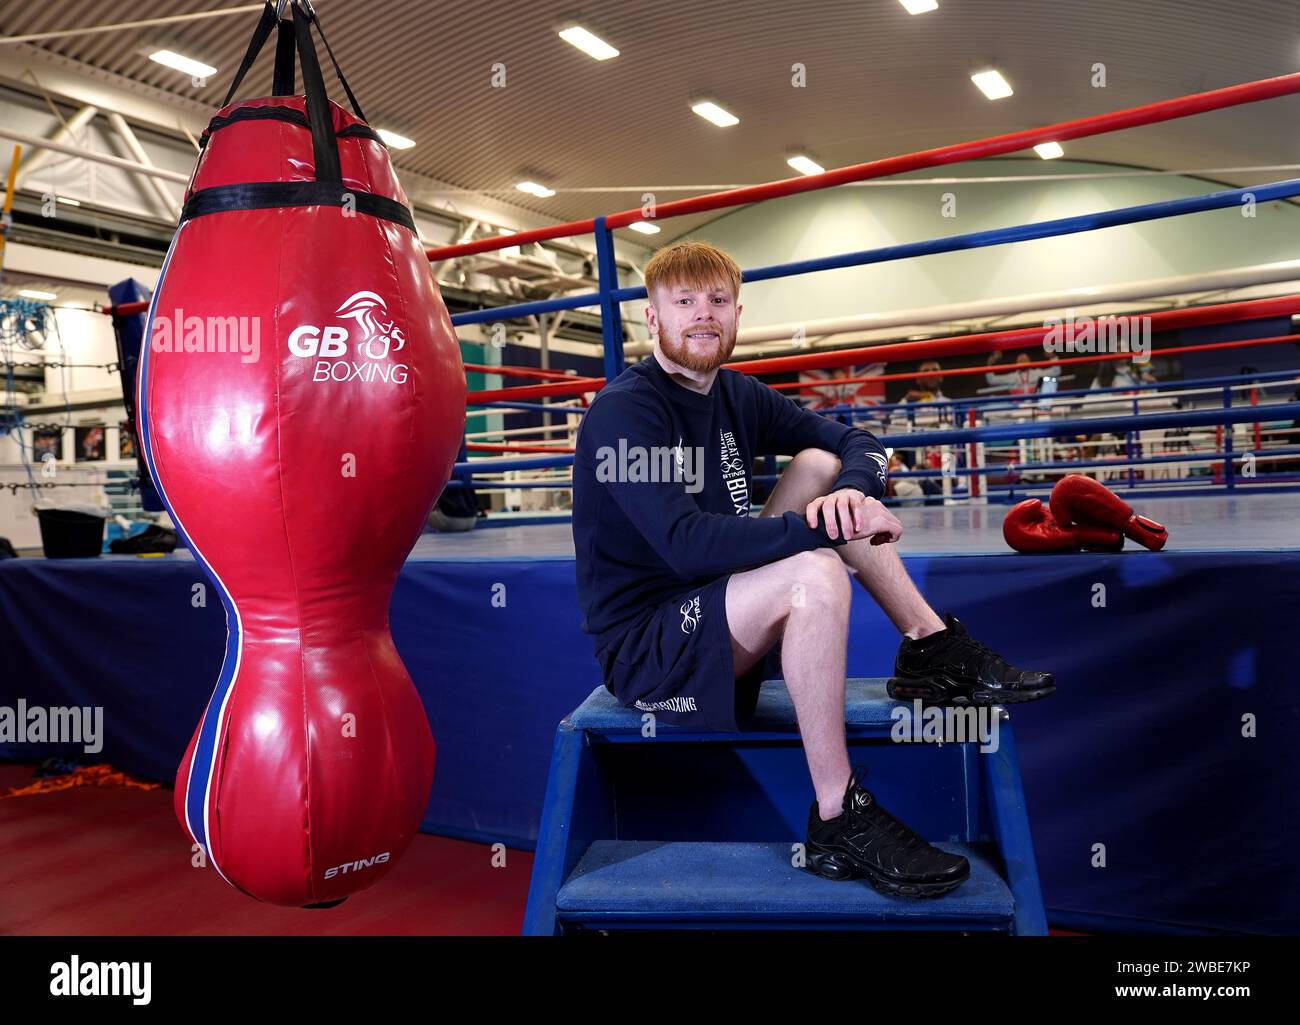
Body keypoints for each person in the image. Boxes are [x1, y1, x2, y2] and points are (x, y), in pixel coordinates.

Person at [572, 241, 1053, 898]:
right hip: (652, 645)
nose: (702, 315)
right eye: (683, 302)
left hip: (722, 607)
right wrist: (826, 528)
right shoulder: (625, 412)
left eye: (716, 301)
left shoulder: (736, 394)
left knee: (823, 472)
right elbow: (685, 545)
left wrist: (851, 495)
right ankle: (837, 815)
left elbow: (860, 444)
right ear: (652, 320)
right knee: (816, 571)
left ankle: (930, 646)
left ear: (737, 313)